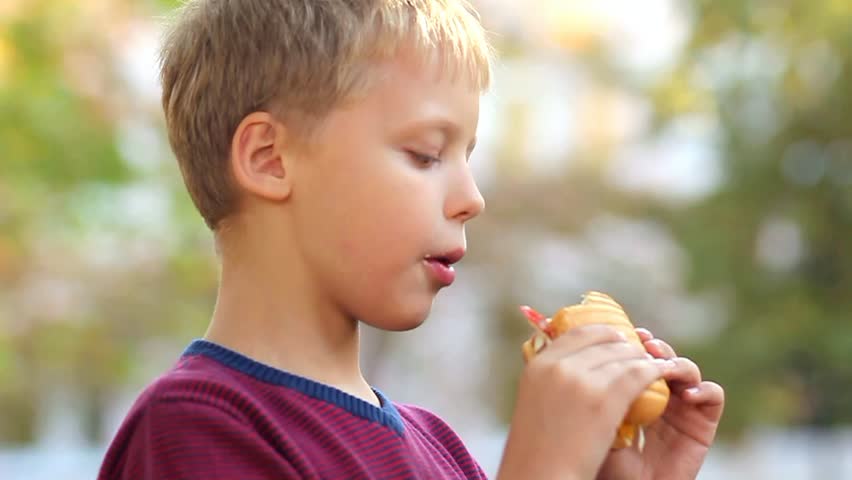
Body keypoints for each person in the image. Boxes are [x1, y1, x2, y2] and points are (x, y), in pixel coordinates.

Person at [98, 0, 725, 478]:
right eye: (426, 155)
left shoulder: (442, 450)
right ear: (270, 158)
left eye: (468, 157)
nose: (472, 198)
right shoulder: (196, 429)